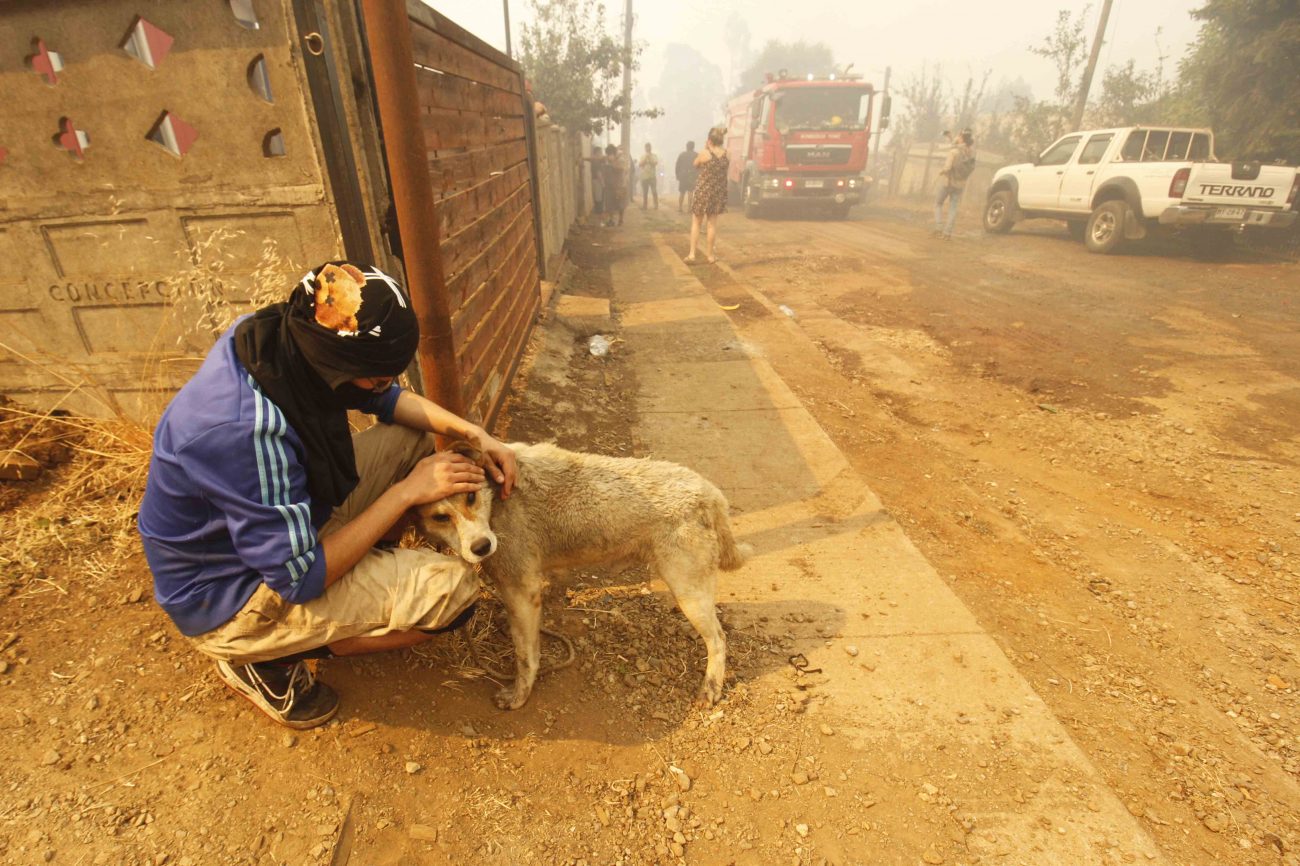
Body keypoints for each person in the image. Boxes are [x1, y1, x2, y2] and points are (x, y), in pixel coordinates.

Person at [138, 261, 518, 729]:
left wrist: (477, 435)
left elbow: (383, 400)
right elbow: (298, 579)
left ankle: (358, 566)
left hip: (282, 527)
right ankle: (265, 658)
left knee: (416, 440)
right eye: (377, 377)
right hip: (231, 594)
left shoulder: (286, 336)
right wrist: (404, 494)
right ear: (337, 362)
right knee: (454, 593)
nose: (384, 387)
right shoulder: (248, 432)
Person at [686, 126, 729, 264]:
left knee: (696, 223)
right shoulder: (727, 154)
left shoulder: (704, 153)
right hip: (717, 192)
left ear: (709, 140)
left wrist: (706, 148)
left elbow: (695, 164)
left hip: (703, 191)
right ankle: (710, 256)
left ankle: (692, 254)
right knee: (712, 225)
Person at [934, 128, 975, 239]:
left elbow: (947, 168)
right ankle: (947, 233)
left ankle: (938, 227)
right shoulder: (970, 153)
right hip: (960, 184)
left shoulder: (954, 152)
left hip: (948, 182)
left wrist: (941, 172)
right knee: (953, 208)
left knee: (938, 203)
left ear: (962, 138)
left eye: (959, 136)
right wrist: (951, 137)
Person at [602, 143, 629, 227]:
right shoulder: (610, 159)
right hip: (610, 185)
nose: (608, 156)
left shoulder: (621, 159)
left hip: (620, 185)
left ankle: (621, 220)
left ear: (613, 153)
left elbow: (621, 169)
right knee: (610, 203)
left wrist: (612, 163)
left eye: (609, 154)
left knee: (620, 203)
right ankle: (611, 220)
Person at [675, 141, 698, 213]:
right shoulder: (696, 155)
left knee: (682, 192)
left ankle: (680, 207)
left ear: (686, 147)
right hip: (692, 176)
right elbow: (699, 166)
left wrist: (677, 175)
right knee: (690, 192)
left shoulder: (682, 155)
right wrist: (697, 175)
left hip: (683, 176)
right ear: (693, 147)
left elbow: (677, 166)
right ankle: (689, 209)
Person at [638, 142, 659, 210]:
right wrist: (645, 158)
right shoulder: (643, 156)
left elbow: (655, 163)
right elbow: (640, 164)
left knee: (654, 191)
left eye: (649, 147)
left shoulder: (654, 155)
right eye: (646, 147)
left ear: (651, 148)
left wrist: (649, 158)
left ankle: (656, 204)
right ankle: (645, 205)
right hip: (644, 176)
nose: (648, 148)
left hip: (652, 176)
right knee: (645, 192)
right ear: (645, 148)